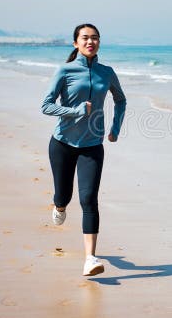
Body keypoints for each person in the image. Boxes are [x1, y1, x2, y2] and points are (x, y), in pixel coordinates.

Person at [41, 23, 126, 276]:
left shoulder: (106, 72)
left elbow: (120, 99)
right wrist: (75, 112)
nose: (91, 42)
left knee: (89, 200)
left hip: (92, 146)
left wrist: (115, 128)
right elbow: (45, 105)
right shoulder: (65, 71)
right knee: (63, 196)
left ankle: (90, 258)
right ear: (76, 43)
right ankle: (58, 206)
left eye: (95, 38)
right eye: (86, 38)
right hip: (62, 144)